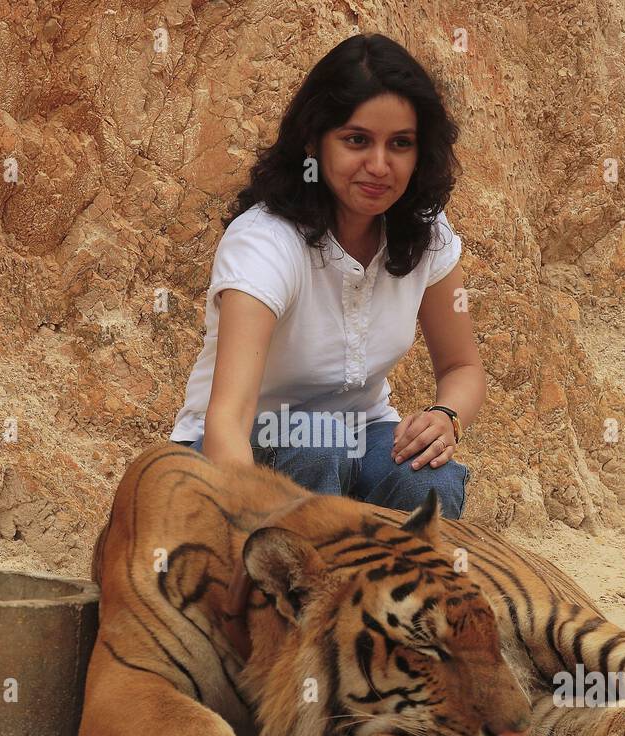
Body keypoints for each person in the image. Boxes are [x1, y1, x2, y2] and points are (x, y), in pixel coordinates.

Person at [170, 32, 485, 520]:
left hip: (361, 434)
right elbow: (227, 420)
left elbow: (462, 368)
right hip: (230, 453)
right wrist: (244, 526)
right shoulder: (265, 244)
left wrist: (446, 417)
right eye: (357, 140)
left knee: (431, 481)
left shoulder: (427, 232)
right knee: (319, 447)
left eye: (400, 144)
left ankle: (388, 595)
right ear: (314, 142)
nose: (379, 166)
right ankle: (294, 590)